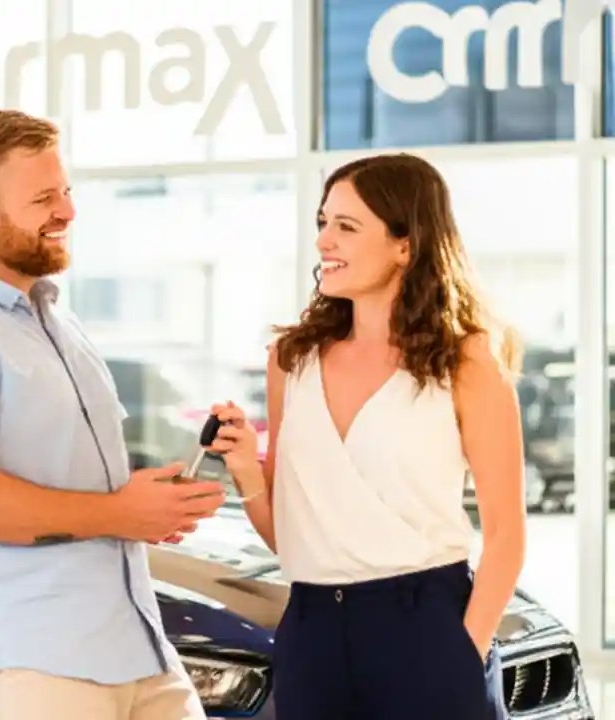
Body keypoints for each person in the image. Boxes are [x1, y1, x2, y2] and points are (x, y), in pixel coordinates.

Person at [0, 108, 224, 720]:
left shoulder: (56, 323)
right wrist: (118, 512)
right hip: (22, 666)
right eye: (43, 198)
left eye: (65, 192)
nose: (67, 211)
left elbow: (72, 486)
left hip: (133, 651)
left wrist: (146, 505)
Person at [202, 153, 523, 719]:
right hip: (311, 631)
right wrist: (250, 473)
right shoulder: (291, 359)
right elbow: (296, 541)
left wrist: (461, 651)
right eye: (323, 223)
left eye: (346, 227)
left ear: (406, 243)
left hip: (426, 625)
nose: (325, 240)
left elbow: (507, 537)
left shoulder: (465, 359)